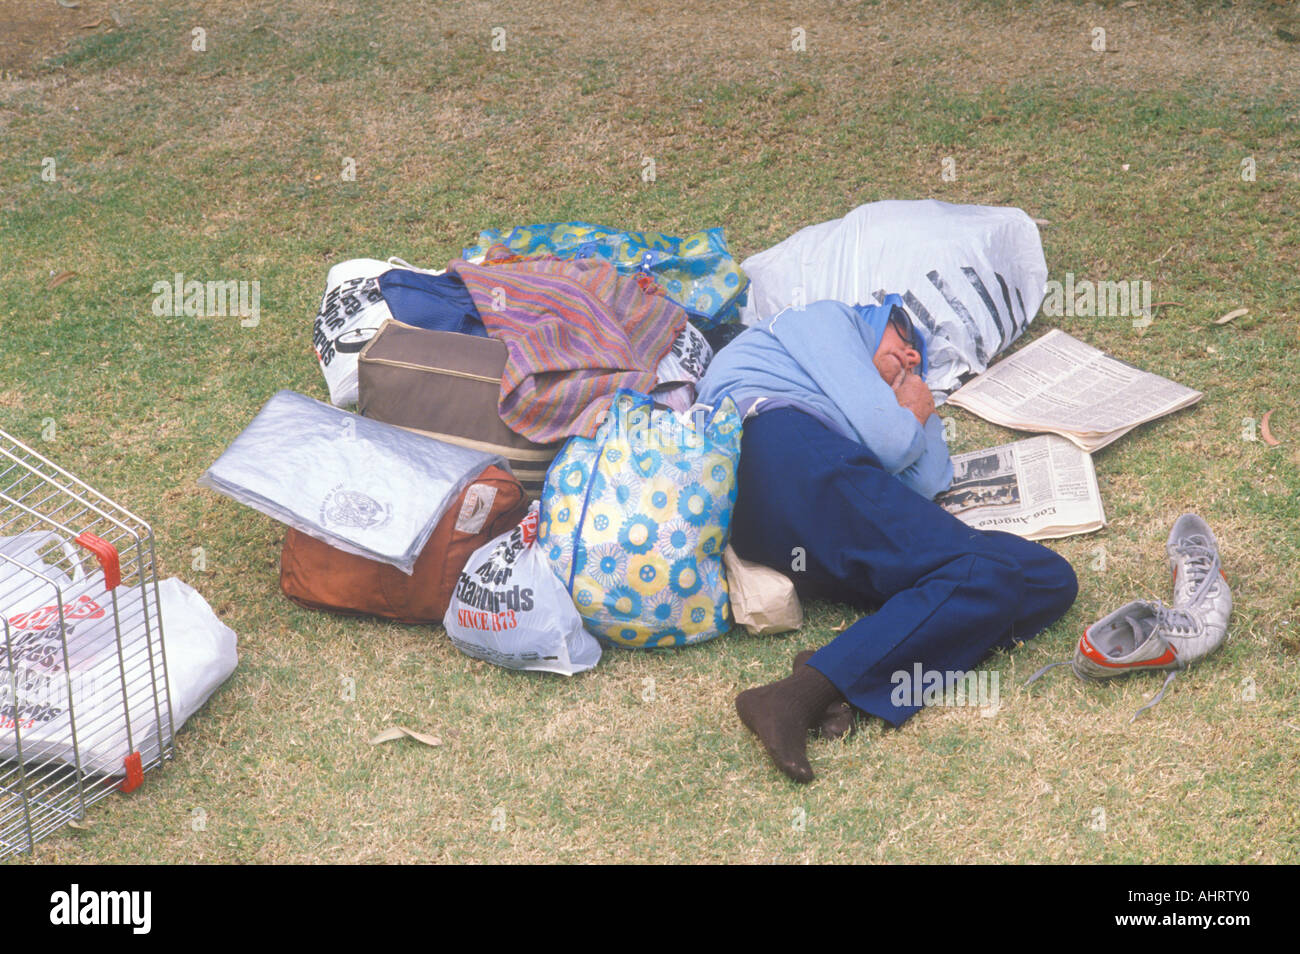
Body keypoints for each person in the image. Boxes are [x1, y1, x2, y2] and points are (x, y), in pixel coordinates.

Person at [696, 296, 1078, 783]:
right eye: (904, 339)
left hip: (808, 520)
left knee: (1046, 578)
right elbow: (893, 444)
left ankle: (839, 678)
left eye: (918, 357)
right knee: (984, 571)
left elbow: (922, 482)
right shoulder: (824, 318)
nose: (912, 356)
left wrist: (914, 408)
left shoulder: (860, 399)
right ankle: (792, 697)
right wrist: (912, 414)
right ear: (877, 318)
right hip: (776, 453)